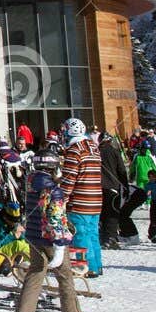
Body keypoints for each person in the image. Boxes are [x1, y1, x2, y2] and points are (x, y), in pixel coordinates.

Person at [15, 153, 92, 312]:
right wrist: (60, 243)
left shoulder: (30, 184)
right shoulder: (54, 192)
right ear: (53, 168)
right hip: (51, 241)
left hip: (34, 237)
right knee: (65, 277)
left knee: (35, 273)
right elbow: (55, 220)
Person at [58, 118, 106, 276]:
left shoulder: (74, 149)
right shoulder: (93, 147)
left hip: (80, 200)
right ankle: (97, 265)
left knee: (80, 234)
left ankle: (87, 267)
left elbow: (69, 177)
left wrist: (62, 196)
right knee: (93, 233)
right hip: (96, 199)